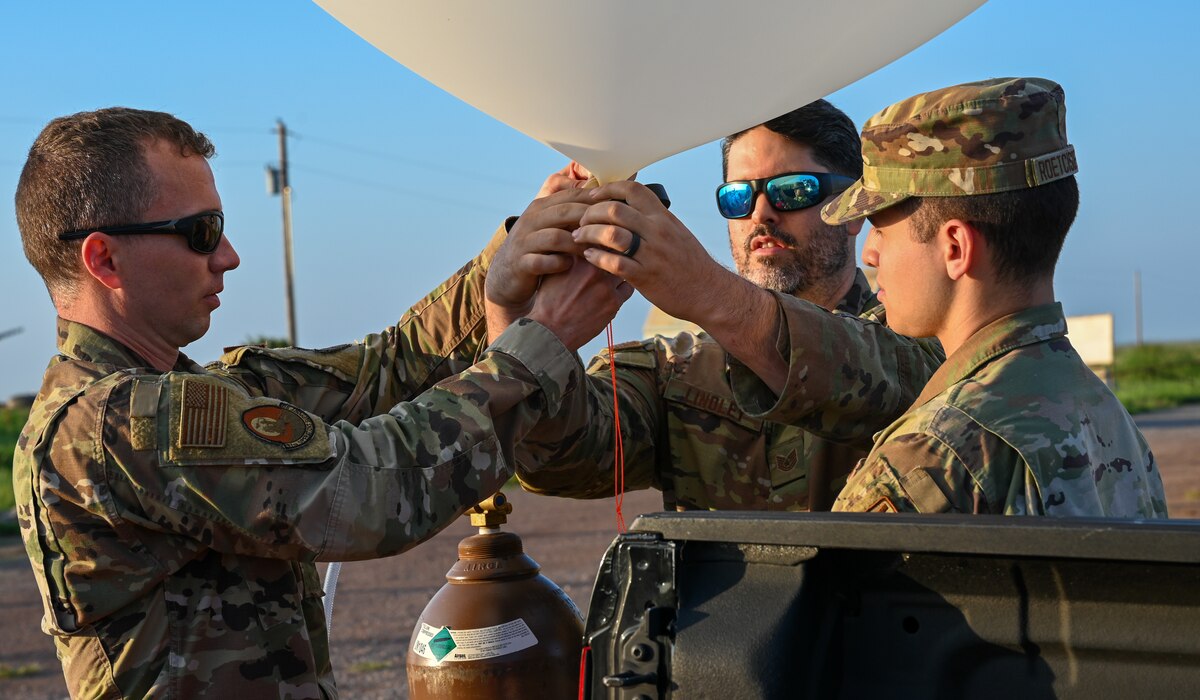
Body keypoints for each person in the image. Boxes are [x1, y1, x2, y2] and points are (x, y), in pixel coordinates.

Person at [12, 107, 631, 697]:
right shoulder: (113, 427)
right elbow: (373, 491)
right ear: (105, 259)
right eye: (201, 233)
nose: (227, 257)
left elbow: (386, 370)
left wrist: (515, 254)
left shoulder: (194, 398)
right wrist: (543, 341)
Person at [579, 78, 1167, 517]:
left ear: (956, 248)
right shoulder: (1110, 421)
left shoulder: (927, 455)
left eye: (880, 224)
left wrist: (706, 290)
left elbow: (845, 644)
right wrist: (512, 298)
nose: (872, 251)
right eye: (737, 196)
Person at [487, 101, 942, 511]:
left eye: (794, 191)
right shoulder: (675, 371)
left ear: (853, 212)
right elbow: (555, 460)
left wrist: (704, 289)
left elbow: (896, 386)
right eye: (738, 197)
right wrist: (514, 308)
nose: (761, 213)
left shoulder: (924, 341)